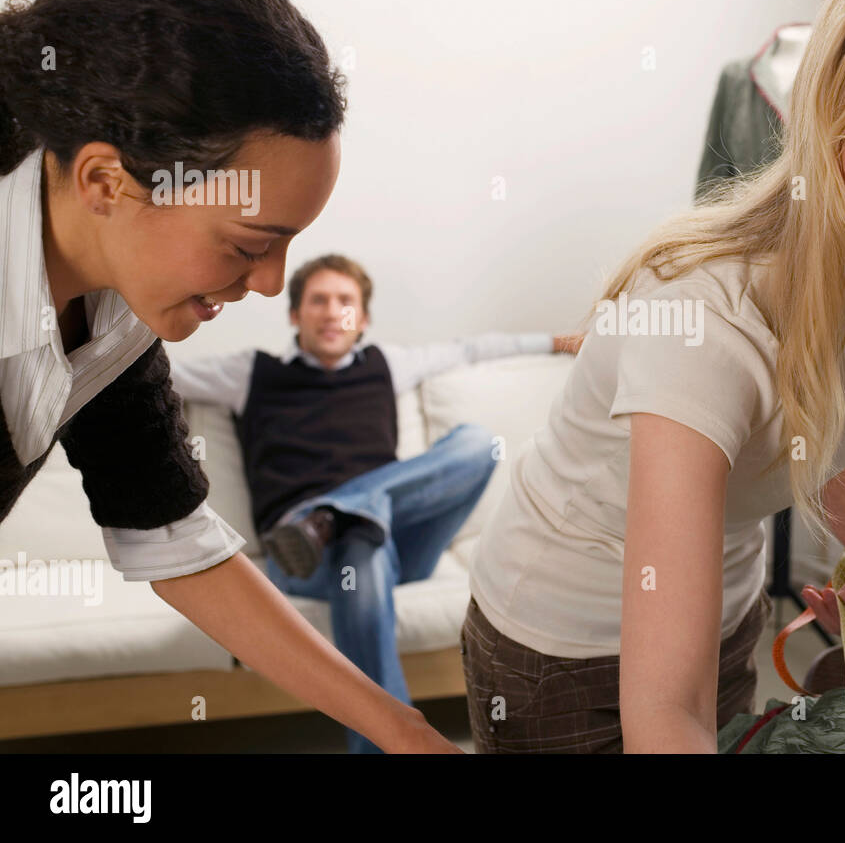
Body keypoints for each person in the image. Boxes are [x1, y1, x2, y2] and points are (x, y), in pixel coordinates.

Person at [460, 0, 845, 753]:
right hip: (563, 645)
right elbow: (666, 717)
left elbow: (796, 407)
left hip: (723, 612)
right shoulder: (702, 313)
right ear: (828, 105)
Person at [0, 0, 454, 752]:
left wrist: (401, 728)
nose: (273, 285)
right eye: (250, 243)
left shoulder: (119, 312)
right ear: (108, 183)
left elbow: (169, 534)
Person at [168, 252, 581, 753]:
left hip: (402, 541)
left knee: (475, 443)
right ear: (295, 315)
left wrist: (557, 343)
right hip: (303, 557)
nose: (331, 311)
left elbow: (472, 350)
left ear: (362, 319)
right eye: (318, 300)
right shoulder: (251, 373)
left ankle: (331, 515)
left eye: (346, 301)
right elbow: (159, 373)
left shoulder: (389, 364)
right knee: (361, 546)